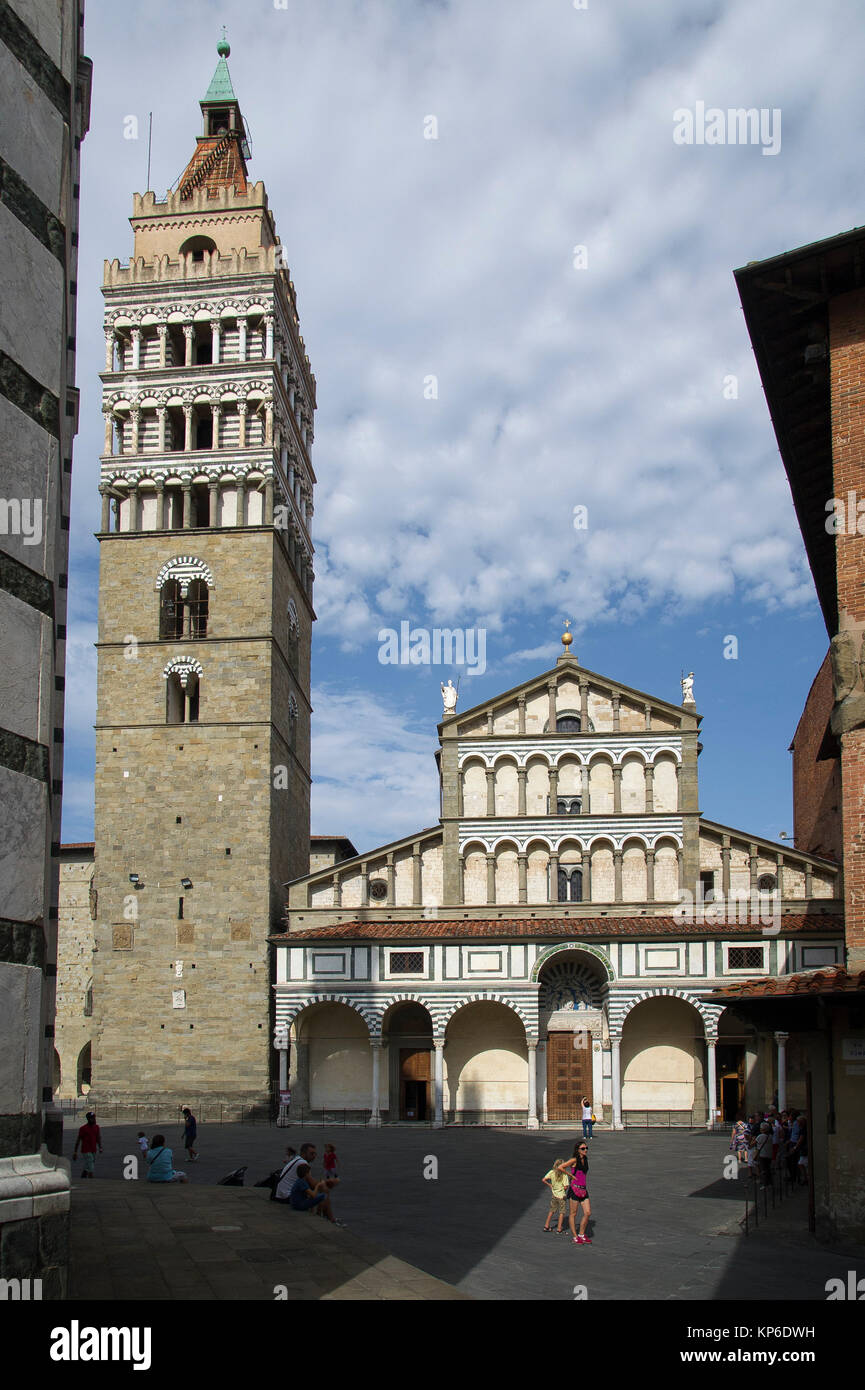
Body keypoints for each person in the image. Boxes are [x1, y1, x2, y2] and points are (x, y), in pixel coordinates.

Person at [559, 1141, 592, 1244]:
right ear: (578, 1150)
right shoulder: (574, 1160)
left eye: (586, 1148)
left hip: (583, 1189)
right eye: (583, 1148)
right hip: (575, 1189)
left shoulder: (585, 1159)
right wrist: (571, 1175)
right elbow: (560, 1167)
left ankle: (581, 1234)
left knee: (587, 1212)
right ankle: (575, 1236)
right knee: (573, 1213)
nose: (585, 1150)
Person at [542, 1157, 569, 1233]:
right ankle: (559, 1228)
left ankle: (546, 1226)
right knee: (562, 1212)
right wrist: (564, 1189)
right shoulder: (564, 1175)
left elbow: (543, 1179)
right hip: (562, 1196)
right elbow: (566, 1186)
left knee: (552, 1210)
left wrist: (550, 1185)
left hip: (554, 1195)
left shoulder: (551, 1172)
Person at [73, 1111, 103, 1179]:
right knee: (91, 1166)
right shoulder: (83, 1128)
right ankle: (91, 1182)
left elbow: (98, 1138)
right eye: (92, 1118)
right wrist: (75, 1152)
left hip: (93, 1150)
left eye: (94, 1118)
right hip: (86, 1150)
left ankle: (82, 1178)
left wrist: (100, 1147)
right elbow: (78, 1140)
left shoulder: (97, 1127)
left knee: (87, 1166)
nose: (94, 1120)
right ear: (88, 1119)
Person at [754, 1121, 773, 1188]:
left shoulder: (760, 1136)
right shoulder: (770, 1136)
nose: (760, 1129)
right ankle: (770, 1183)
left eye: (761, 1129)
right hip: (769, 1154)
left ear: (763, 1129)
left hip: (762, 1155)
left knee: (763, 1169)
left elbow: (753, 1143)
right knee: (768, 1169)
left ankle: (765, 1184)